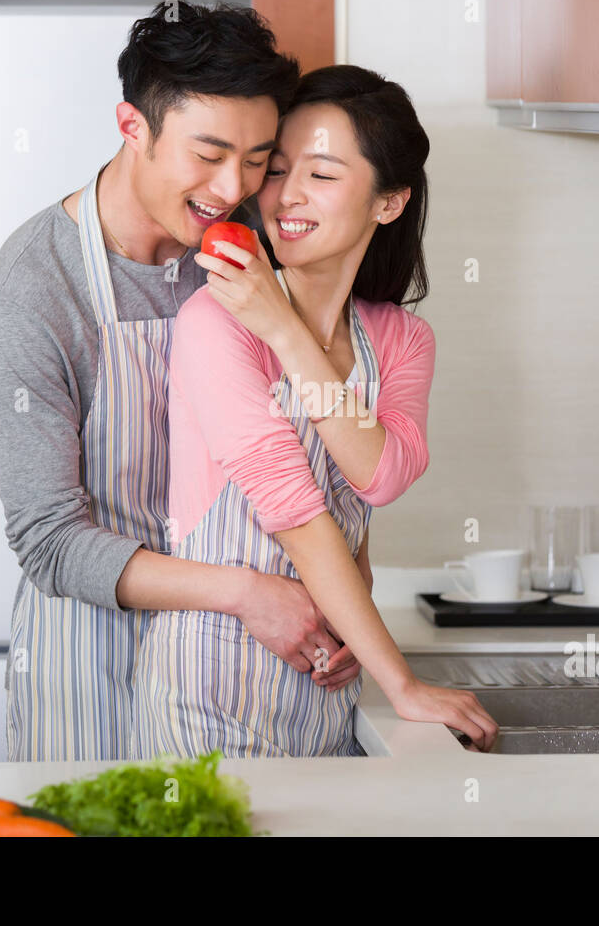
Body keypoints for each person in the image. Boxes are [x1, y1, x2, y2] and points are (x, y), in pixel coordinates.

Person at [0, 0, 363, 763]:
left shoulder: (249, 250)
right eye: (208, 153)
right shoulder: (33, 293)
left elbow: (313, 451)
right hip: (95, 663)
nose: (233, 184)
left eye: (257, 158)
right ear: (133, 127)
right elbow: (51, 543)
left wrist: (340, 603)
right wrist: (247, 594)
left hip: (246, 666)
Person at [132, 65, 499, 757]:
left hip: (326, 690)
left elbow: (380, 476)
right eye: (277, 169)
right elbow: (295, 512)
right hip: (208, 693)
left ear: (388, 202)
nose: (287, 195)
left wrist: (287, 332)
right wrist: (403, 684)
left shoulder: (400, 340)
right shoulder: (215, 320)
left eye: (322, 175)